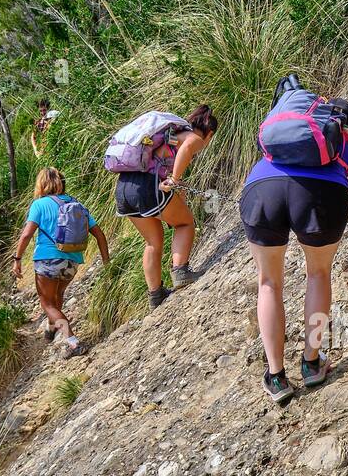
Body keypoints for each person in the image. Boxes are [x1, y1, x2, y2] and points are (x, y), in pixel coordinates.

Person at [239, 92, 348, 404]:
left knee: (268, 283)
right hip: (321, 198)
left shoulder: (284, 136)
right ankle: (311, 363)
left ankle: (276, 376)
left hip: (261, 192)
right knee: (318, 275)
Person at [115, 104, 219, 309]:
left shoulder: (170, 136)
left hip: (124, 189)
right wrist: (175, 180)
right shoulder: (193, 137)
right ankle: (180, 271)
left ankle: (155, 295)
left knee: (153, 241)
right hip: (146, 188)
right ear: (210, 133)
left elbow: (161, 161)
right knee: (185, 223)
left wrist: (174, 184)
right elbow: (189, 147)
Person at [12, 167, 110, 358]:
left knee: (47, 303)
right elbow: (100, 234)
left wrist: (17, 259)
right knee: (57, 294)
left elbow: (26, 235)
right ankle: (51, 328)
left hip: (47, 260)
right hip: (72, 262)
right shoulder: (76, 204)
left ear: (41, 184)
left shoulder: (39, 205)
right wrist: (107, 262)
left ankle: (73, 343)